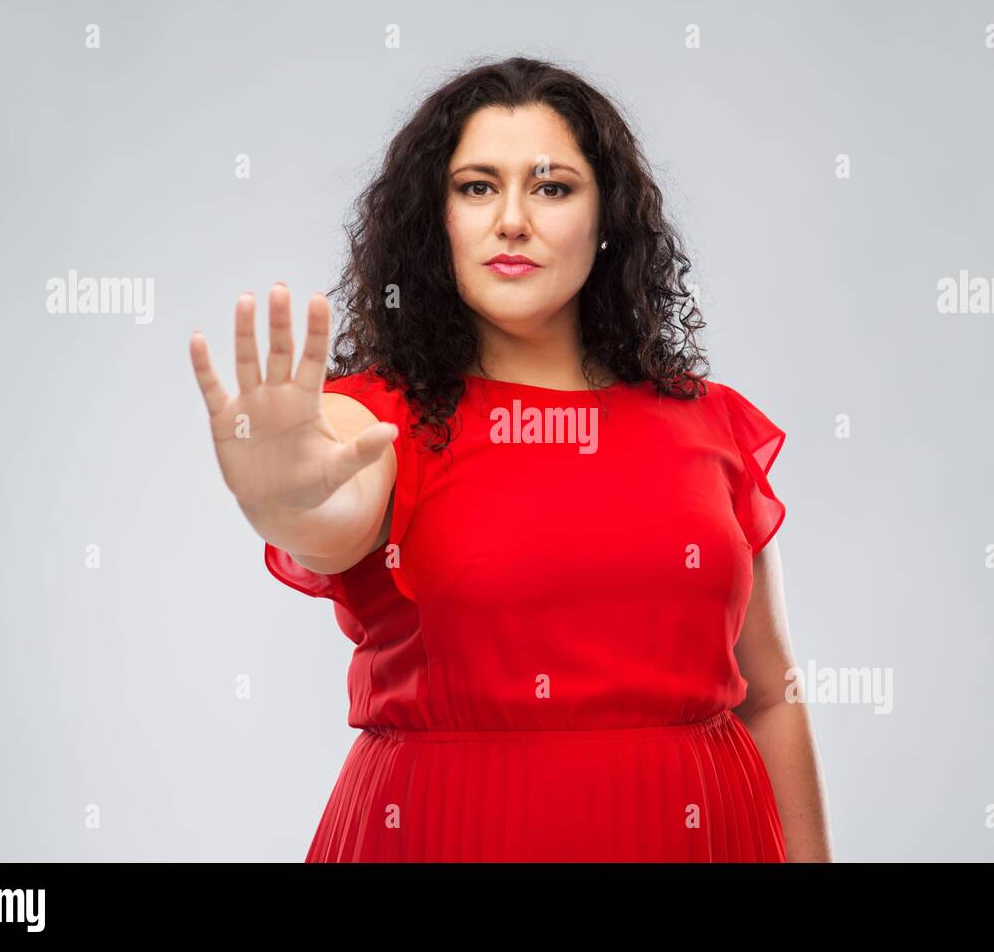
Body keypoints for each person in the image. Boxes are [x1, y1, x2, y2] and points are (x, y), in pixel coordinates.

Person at [189, 56, 832, 862]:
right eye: (477, 187)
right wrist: (280, 491)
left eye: (552, 187)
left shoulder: (713, 425)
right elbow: (327, 511)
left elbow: (770, 694)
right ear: (438, 221)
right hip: (446, 833)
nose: (513, 220)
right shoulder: (378, 417)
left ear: (607, 220)